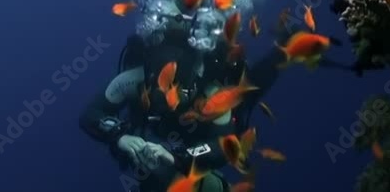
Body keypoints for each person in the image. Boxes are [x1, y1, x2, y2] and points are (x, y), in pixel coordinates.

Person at [80, 13, 349, 192]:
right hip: (166, 143)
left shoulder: (210, 90)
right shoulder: (133, 79)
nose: (168, 94)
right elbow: (90, 114)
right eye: (160, 82)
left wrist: (177, 156)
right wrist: (119, 136)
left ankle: (290, 48)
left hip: (209, 124)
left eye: (177, 85)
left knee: (247, 93)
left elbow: (223, 147)